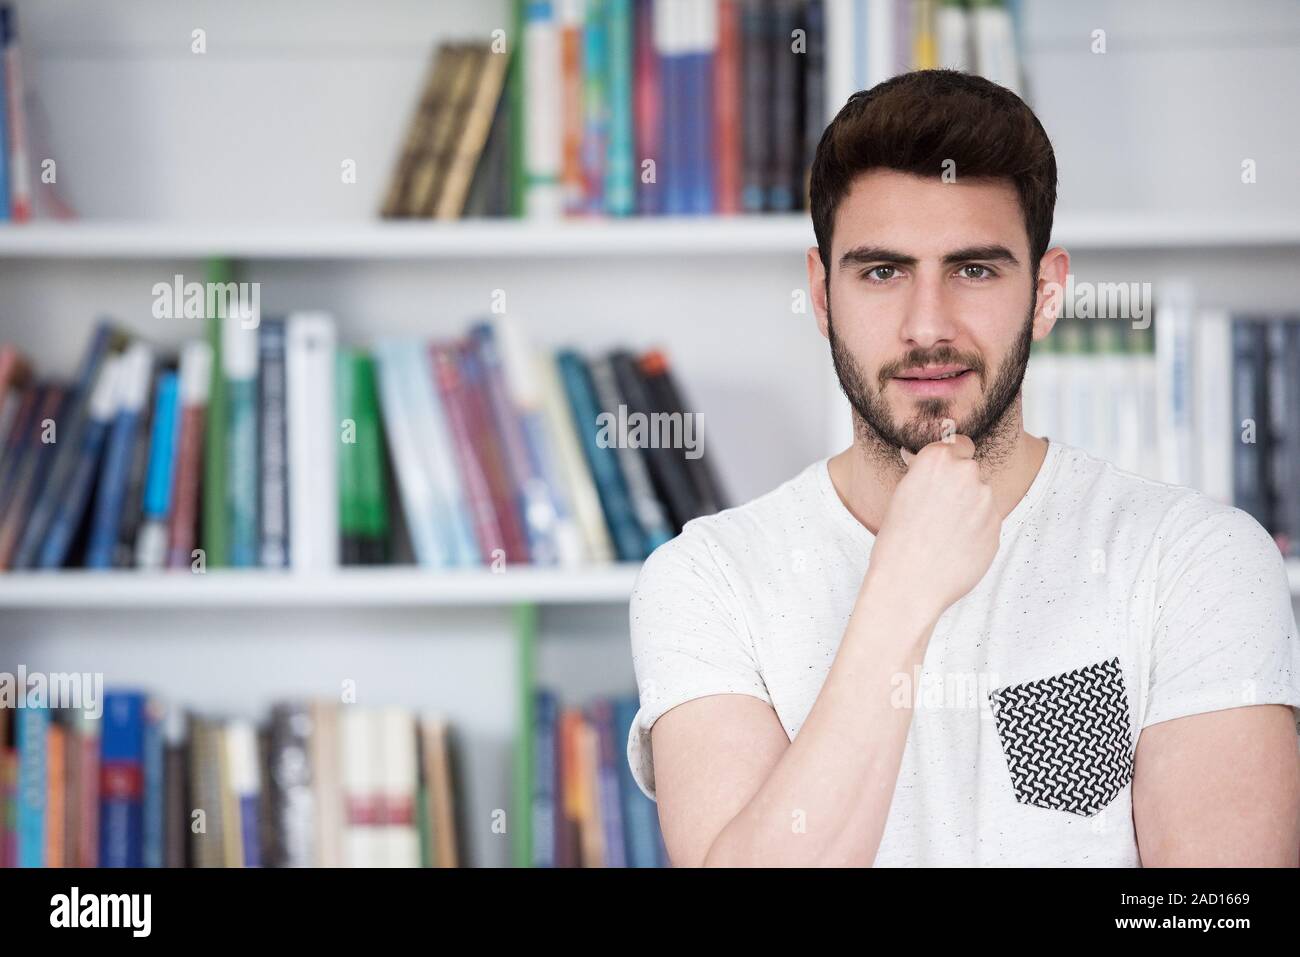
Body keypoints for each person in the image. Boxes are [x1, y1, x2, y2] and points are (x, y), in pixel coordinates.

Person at [625, 69, 1300, 867]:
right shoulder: (708, 579)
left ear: (1047, 294)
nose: (927, 324)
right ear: (821, 293)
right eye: (882, 271)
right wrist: (902, 589)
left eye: (974, 269)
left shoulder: (1197, 561)